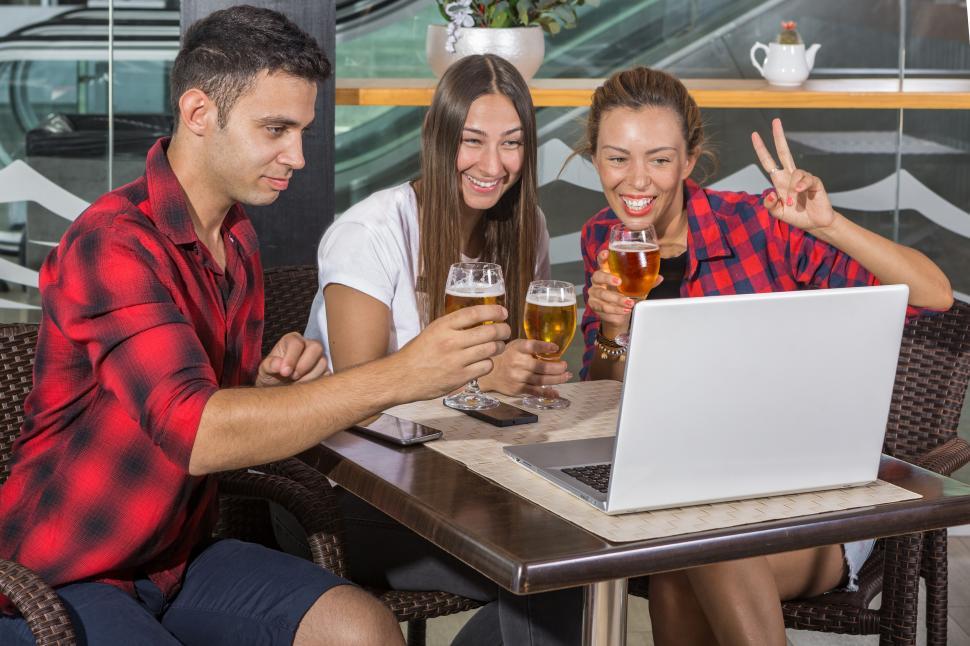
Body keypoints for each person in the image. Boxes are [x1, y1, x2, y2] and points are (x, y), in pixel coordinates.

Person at [0, 7, 511, 646]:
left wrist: (268, 390)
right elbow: (198, 434)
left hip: (176, 559)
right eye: (275, 128)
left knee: (361, 627)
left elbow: (215, 408)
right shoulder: (111, 245)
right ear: (198, 113)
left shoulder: (235, 238)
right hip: (65, 572)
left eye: (301, 130)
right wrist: (400, 375)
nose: (295, 154)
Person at [578, 67, 952, 646]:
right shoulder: (604, 237)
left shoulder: (759, 225)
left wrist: (829, 225)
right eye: (616, 158)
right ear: (593, 159)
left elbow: (935, 294)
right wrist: (610, 330)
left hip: (808, 493)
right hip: (684, 492)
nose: (637, 180)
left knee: (697, 547)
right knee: (688, 553)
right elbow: (604, 392)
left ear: (690, 159)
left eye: (658, 158)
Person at [304, 54, 584, 645]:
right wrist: (480, 384)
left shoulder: (522, 224)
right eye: (472, 141)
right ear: (438, 136)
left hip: (464, 478)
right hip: (354, 493)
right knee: (543, 570)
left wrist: (530, 374)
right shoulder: (370, 233)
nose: (493, 164)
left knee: (569, 560)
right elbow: (358, 402)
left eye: (511, 143)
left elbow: (515, 384)